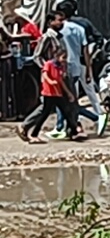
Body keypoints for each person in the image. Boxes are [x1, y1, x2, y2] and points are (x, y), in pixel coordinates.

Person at [18, 13, 83, 143]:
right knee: (49, 106)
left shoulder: (60, 37)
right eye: (59, 20)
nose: (62, 23)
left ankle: (73, 130)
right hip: (53, 78)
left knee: (68, 103)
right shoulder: (47, 37)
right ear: (50, 22)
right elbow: (37, 56)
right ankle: (26, 126)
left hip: (63, 75)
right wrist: (47, 70)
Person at [53, 3, 105, 138]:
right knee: (88, 92)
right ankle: (97, 115)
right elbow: (90, 46)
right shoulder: (82, 25)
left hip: (68, 67)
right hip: (81, 64)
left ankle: (76, 124)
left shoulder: (60, 29)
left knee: (69, 98)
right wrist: (89, 66)